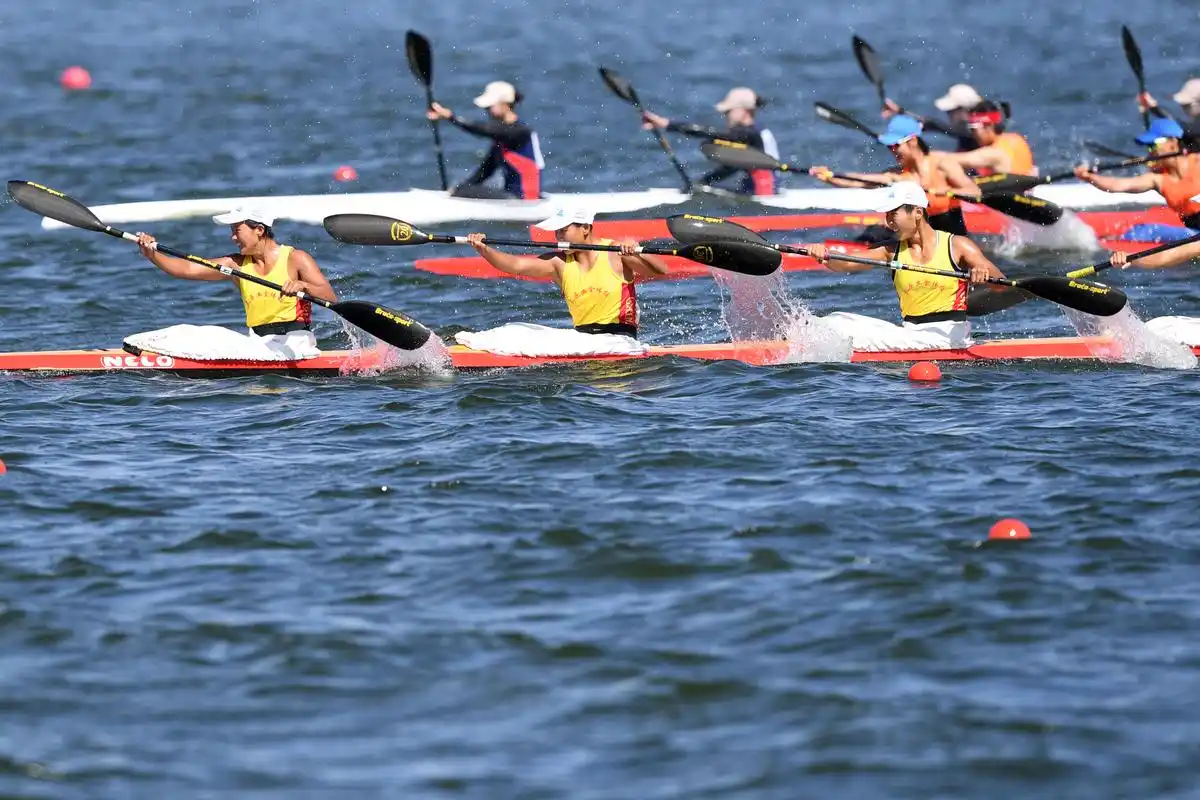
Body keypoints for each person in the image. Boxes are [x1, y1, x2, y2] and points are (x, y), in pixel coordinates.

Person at [804, 182, 1005, 351]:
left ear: (917, 212)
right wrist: (826, 256)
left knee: (834, 327)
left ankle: (797, 343)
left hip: (948, 337)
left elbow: (1002, 285)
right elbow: (847, 262)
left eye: (894, 214)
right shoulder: (891, 251)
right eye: (887, 215)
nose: (889, 222)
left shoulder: (958, 245)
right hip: (912, 334)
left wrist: (983, 274)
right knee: (837, 319)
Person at [133, 208, 337, 357]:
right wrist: (152, 255)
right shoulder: (235, 264)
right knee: (193, 332)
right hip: (259, 344)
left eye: (237, 230)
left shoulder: (296, 258)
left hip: (296, 343)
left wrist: (303, 286)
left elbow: (330, 297)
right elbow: (186, 269)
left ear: (258, 229)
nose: (232, 237)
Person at [464, 208, 669, 337]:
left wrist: (640, 251)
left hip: (620, 339)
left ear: (586, 229)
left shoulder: (616, 254)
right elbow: (515, 265)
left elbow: (661, 273)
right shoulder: (559, 263)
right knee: (515, 331)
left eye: (564, 230)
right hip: (583, 339)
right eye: (557, 231)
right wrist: (484, 249)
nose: (559, 237)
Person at [809, 115, 980, 236]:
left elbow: (975, 192)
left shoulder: (943, 164)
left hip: (955, 236)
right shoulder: (896, 175)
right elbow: (861, 181)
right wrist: (830, 177)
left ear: (913, 141)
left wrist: (948, 191)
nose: (893, 151)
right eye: (890, 147)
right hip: (924, 244)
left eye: (896, 145)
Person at [641, 87, 779, 195]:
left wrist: (667, 124)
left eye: (728, 111)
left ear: (745, 111)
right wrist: (703, 183)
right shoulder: (752, 134)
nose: (725, 116)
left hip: (764, 195)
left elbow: (711, 132)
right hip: (755, 191)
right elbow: (732, 167)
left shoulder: (750, 134)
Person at [427, 80, 544, 200]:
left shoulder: (520, 131)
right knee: (464, 189)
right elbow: (485, 172)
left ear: (505, 104)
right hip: (514, 197)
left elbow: (486, 130)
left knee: (464, 191)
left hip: (524, 199)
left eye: (489, 106)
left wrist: (451, 117)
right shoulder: (501, 139)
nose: (486, 110)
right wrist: (457, 189)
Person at [1074, 118, 1200, 230]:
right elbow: (1117, 185)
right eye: (1148, 147)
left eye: (1153, 145)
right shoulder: (1157, 179)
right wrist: (1089, 177)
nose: (1150, 152)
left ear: (1173, 142)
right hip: (1194, 227)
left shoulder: (1197, 160)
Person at [940, 100, 1036, 177]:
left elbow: (956, 159)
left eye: (973, 129)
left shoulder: (995, 153)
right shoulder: (1016, 138)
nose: (972, 134)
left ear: (988, 126)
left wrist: (930, 157)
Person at [882, 83, 980, 153]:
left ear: (963, 110)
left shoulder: (973, 130)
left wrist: (928, 124)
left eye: (950, 111)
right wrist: (900, 111)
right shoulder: (967, 130)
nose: (948, 114)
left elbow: (937, 125)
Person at [1137, 78, 1200, 150]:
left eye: (1186, 105)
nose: (1183, 108)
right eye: (1182, 105)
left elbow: (1183, 127)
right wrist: (1154, 108)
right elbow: (1180, 124)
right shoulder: (1194, 122)